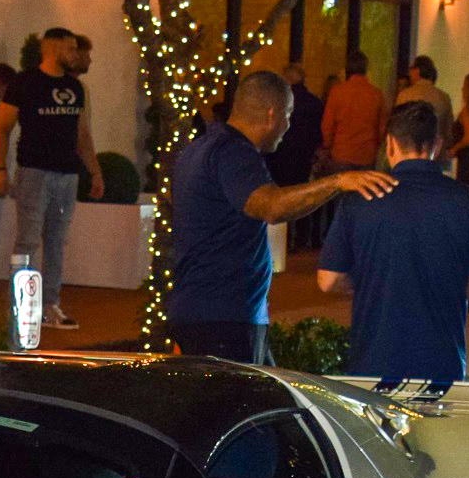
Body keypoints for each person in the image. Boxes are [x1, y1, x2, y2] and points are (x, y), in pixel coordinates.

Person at [169, 69, 395, 362]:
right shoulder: (234, 153)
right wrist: (338, 182)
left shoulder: (201, 147)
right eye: (288, 115)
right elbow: (271, 206)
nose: (289, 125)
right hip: (223, 316)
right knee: (243, 404)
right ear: (272, 114)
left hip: (210, 310)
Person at [317, 99, 469, 385]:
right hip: (443, 363)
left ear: (390, 144)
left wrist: (374, 280)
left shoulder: (359, 200)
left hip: (373, 361)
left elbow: (328, 281)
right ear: (438, 144)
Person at [0, 26, 103, 330]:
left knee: (56, 241)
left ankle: (50, 303)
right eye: (70, 49)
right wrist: (0, 169)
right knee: (27, 239)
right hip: (34, 172)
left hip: (66, 175)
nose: (75, 55)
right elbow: (2, 128)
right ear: (53, 49)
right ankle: (23, 306)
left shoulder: (76, 88)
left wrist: (94, 170)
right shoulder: (24, 83)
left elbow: (83, 134)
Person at [274, 61, 327, 247]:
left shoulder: (282, 101)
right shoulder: (314, 102)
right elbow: (320, 130)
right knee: (303, 195)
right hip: (304, 154)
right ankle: (303, 237)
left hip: (283, 153)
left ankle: (285, 240)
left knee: (283, 196)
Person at [318, 53, 387, 177]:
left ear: (347, 69)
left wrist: (328, 146)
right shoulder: (376, 94)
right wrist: (374, 146)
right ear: (365, 69)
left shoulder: (337, 92)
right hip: (367, 155)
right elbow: (382, 129)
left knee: (340, 194)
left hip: (341, 154)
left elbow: (327, 125)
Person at [398, 56, 452, 136]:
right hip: (436, 145)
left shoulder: (405, 95)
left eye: (411, 69)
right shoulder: (444, 97)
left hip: (409, 145)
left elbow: (398, 125)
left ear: (417, 71)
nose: (409, 73)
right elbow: (448, 130)